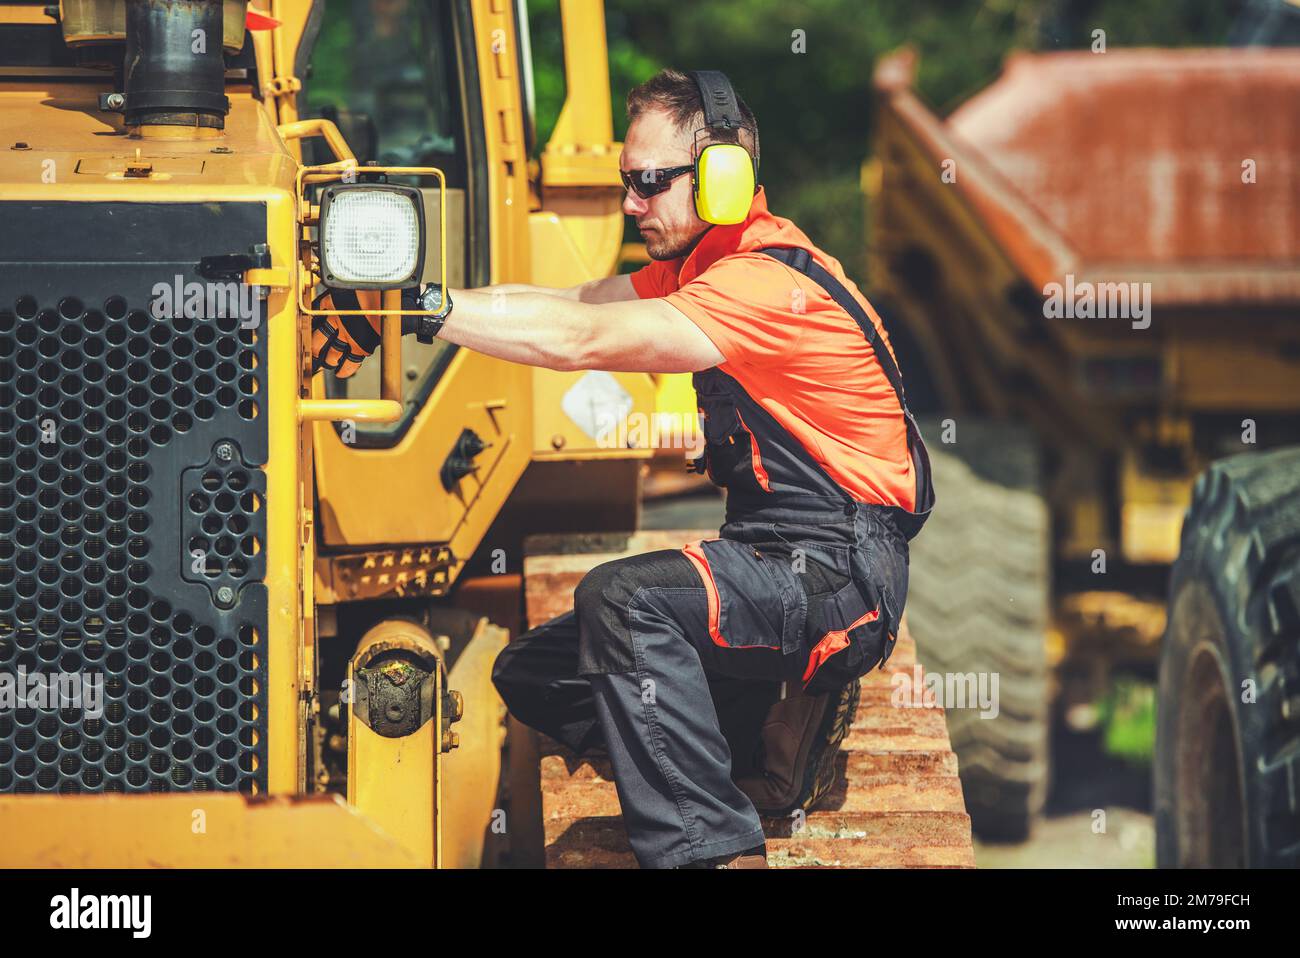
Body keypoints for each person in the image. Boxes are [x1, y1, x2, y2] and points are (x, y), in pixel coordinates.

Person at [314, 68, 933, 869]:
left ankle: (705, 845)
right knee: (532, 671)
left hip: (835, 576)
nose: (631, 205)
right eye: (625, 183)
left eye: (648, 183)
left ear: (723, 180)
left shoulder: (761, 282)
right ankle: (761, 737)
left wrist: (421, 312)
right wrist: (402, 301)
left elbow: (578, 344)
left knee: (625, 601)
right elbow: (571, 304)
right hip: (780, 565)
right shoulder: (701, 267)